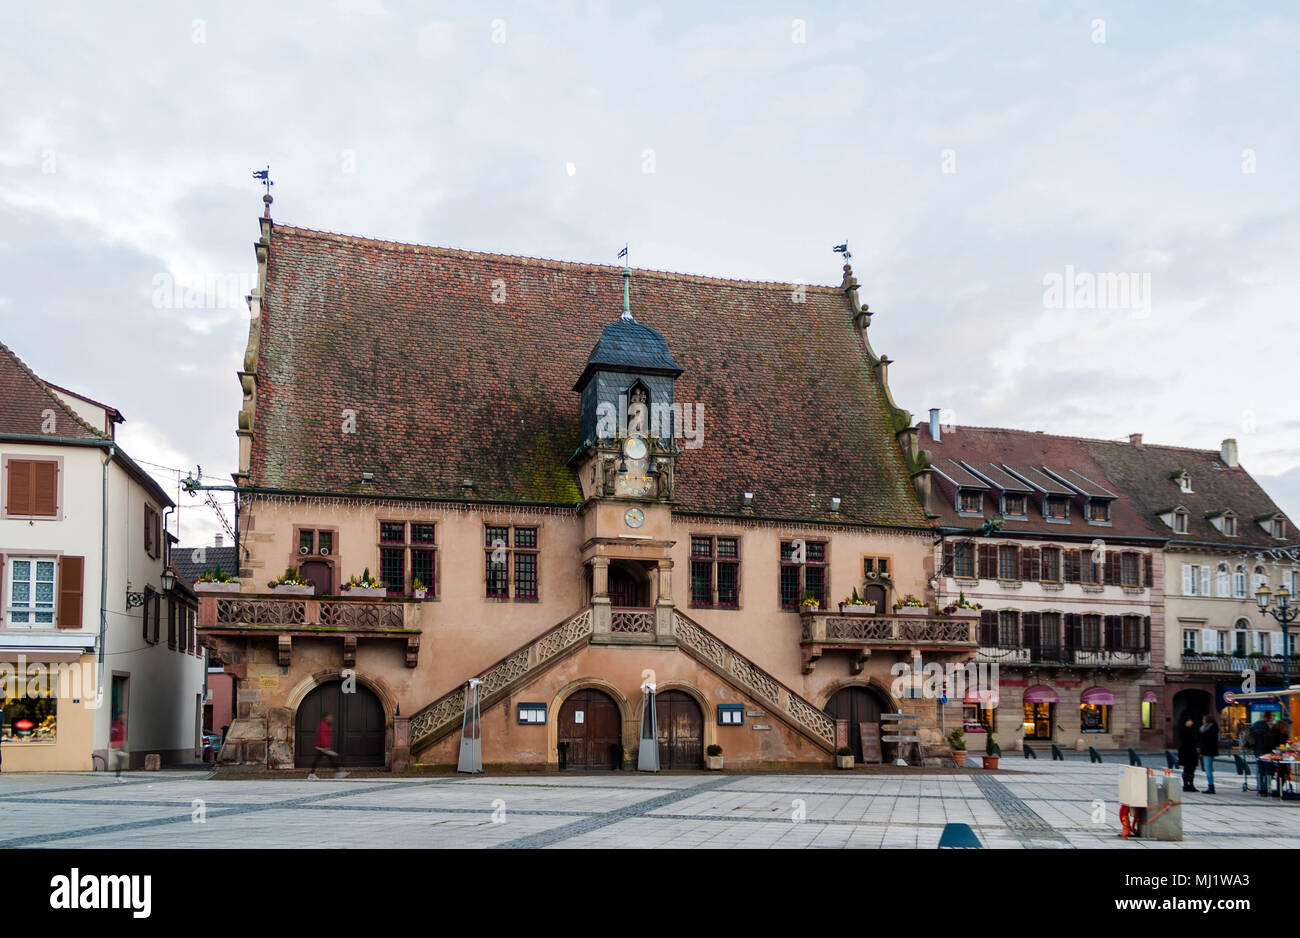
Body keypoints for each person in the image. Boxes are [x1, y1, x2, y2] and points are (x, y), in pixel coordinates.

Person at [308, 712, 347, 780]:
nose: (331, 718)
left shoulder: (326, 725)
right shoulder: (323, 725)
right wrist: (325, 747)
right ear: (326, 718)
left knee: (319, 760)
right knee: (330, 758)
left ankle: (311, 774)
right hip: (322, 747)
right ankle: (338, 772)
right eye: (330, 717)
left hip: (323, 747)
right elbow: (323, 736)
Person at [1250, 713, 1276, 796]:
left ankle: (1261, 787)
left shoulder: (1255, 725)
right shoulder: (1265, 727)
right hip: (1265, 750)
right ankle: (1265, 788)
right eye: (1271, 717)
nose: (1271, 718)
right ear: (1267, 717)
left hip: (1256, 750)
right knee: (1268, 769)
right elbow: (1267, 741)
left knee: (1260, 769)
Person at [1198, 713, 1219, 794]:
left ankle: (1211, 786)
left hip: (1207, 751)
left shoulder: (1208, 729)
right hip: (1210, 751)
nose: (1203, 721)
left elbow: (1205, 742)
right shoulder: (1211, 728)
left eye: (1204, 719)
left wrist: (1202, 752)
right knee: (1208, 768)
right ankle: (1211, 786)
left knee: (1208, 769)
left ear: (1207, 720)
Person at [1177, 717, 1199, 792]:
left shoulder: (1192, 729)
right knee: (1187, 769)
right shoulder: (1184, 730)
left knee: (1191, 769)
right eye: (1190, 721)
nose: (1191, 722)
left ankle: (1190, 784)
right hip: (1187, 753)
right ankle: (1187, 785)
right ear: (1186, 722)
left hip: (1191, 753)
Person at [110, 712, 127, 781]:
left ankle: (118, 776)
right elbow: (113, 735)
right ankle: (118, 776)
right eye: (123, 716)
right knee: (119, 760)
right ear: (119, 716)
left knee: (121, 760)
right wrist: (114, 746)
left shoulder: (121, 724)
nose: (125, 717)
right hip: (117, 745)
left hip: (121, 744)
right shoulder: (115, 724)